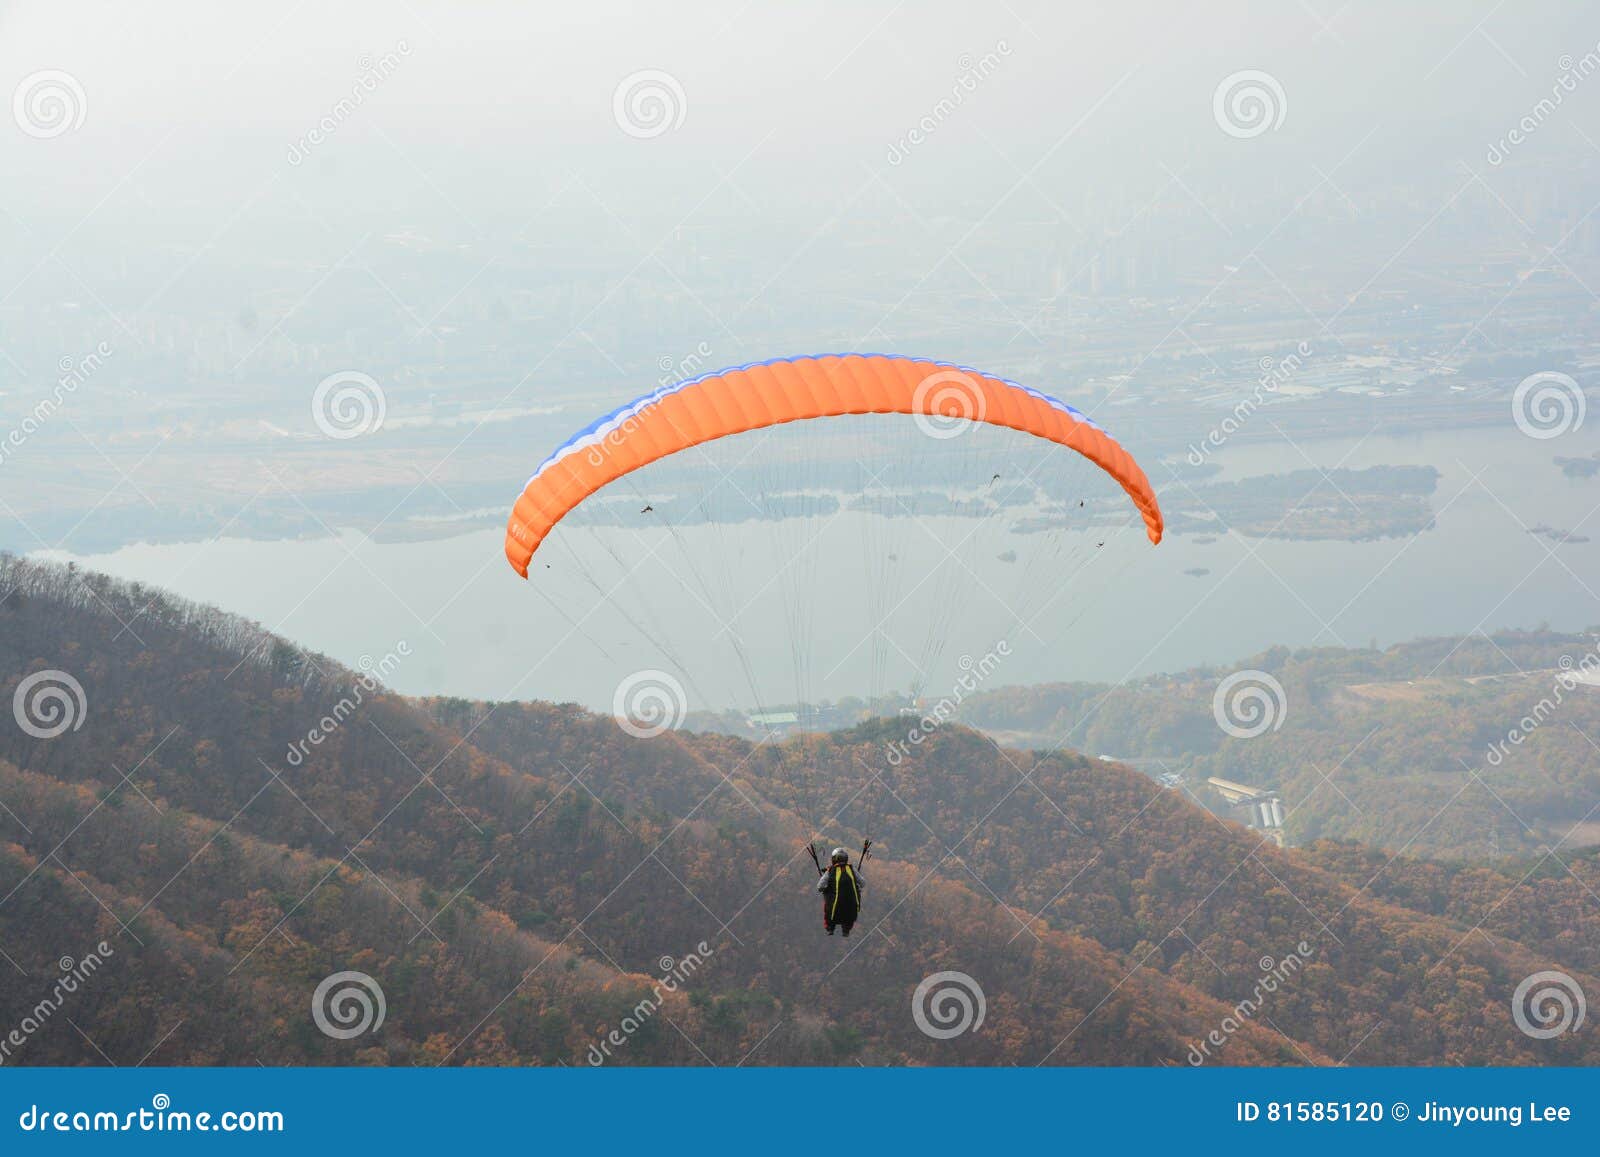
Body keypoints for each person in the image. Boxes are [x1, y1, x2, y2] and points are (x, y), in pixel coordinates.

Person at [816, 847, 864, 936]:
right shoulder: (851, 869)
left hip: (834, 912)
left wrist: (827, 888)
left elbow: (820, 887)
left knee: (827, 898)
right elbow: (863, 883)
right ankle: (846, 930)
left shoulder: (830, 871)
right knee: (855, 894)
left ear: (834, 859)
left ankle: (830, 928)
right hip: (851, 912)